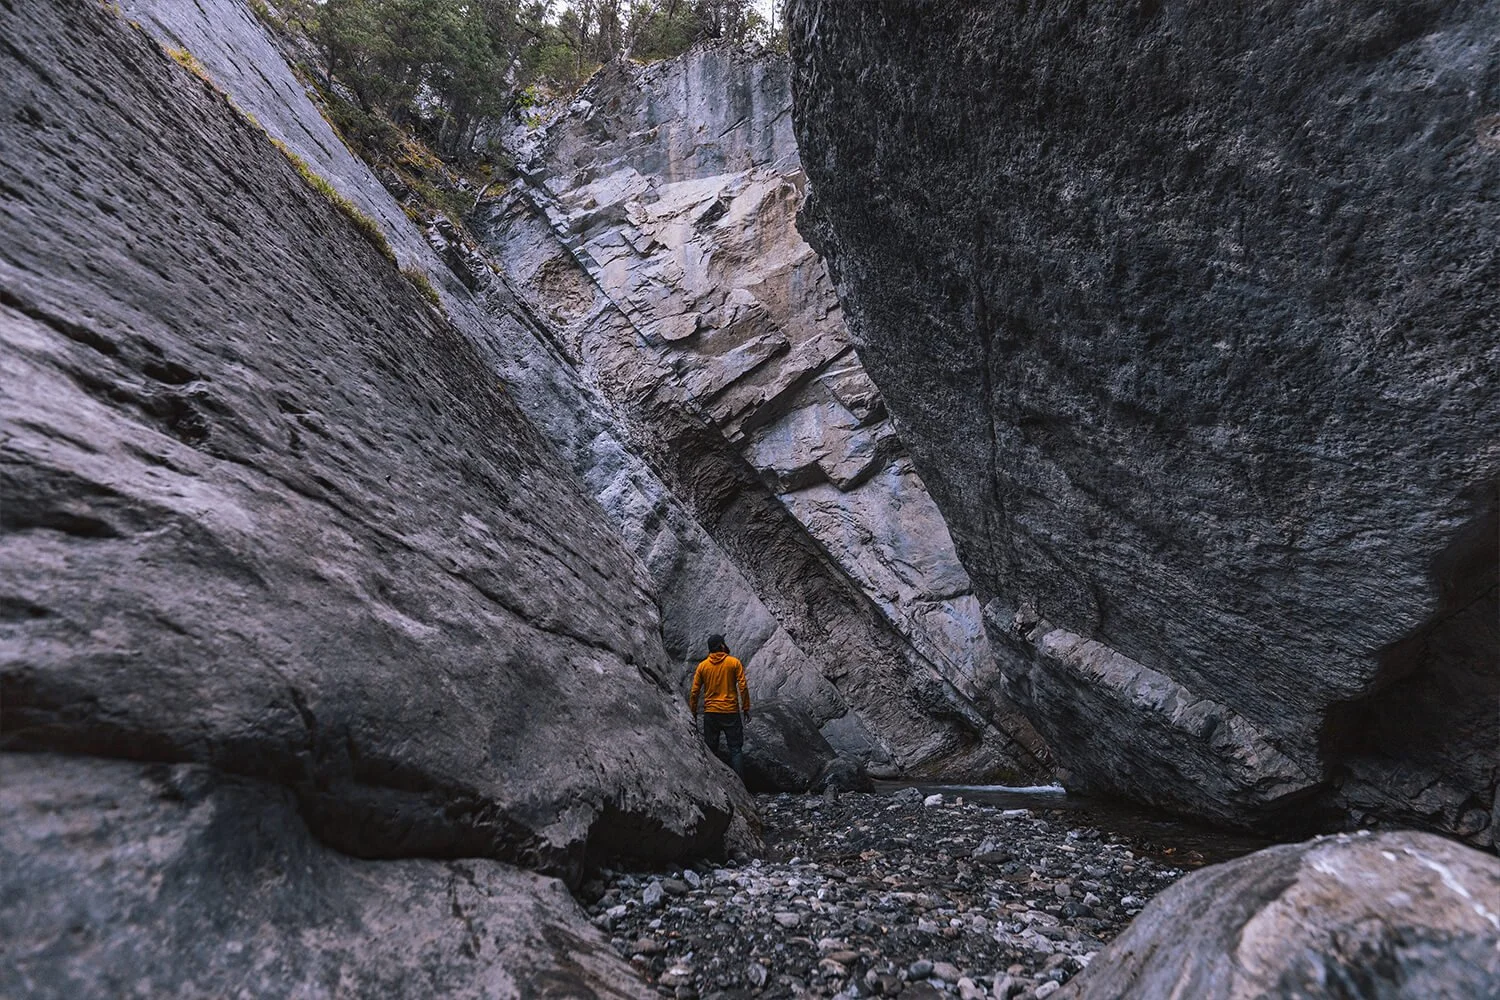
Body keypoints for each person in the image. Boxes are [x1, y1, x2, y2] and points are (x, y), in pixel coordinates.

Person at [689, 634, 750, 777]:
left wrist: (693, 712)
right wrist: (745, 707)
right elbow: (743, 686)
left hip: (711, 713)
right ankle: (741, 789)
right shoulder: (734, 663)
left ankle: (715, 785)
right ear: (721, 646)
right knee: (735, 749)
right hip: (731, 712)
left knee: (711, 751)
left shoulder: (702, 666)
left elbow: (694, 691)